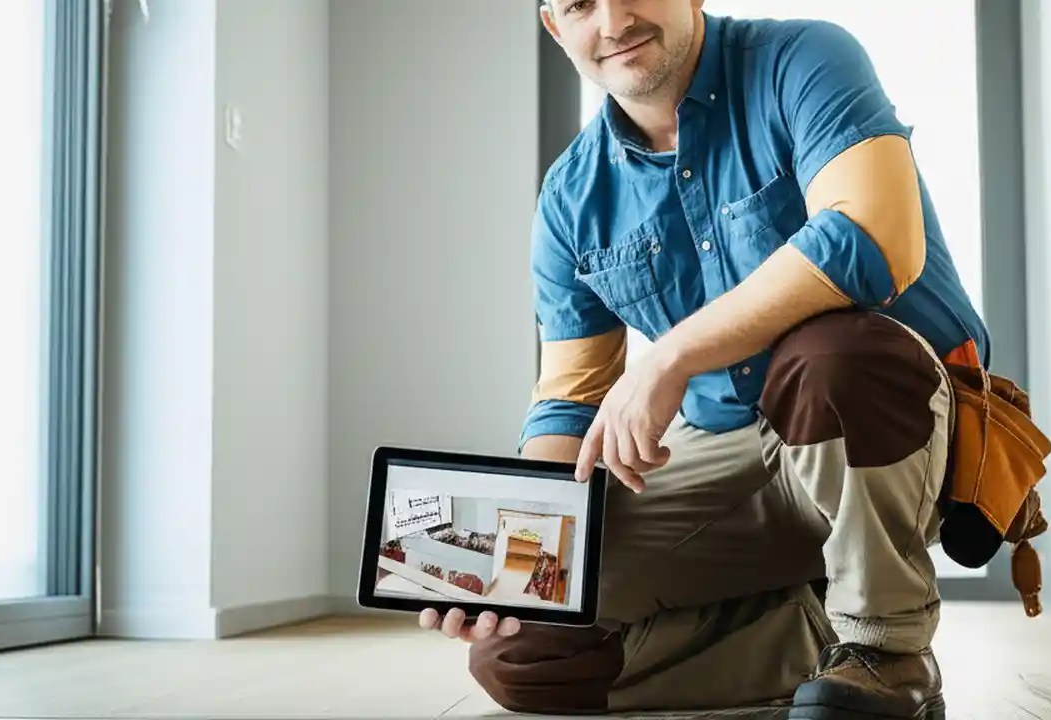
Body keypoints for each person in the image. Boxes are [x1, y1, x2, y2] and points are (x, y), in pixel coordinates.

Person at [421, 1, 989, 717]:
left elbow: (872, 240)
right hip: (723, 451)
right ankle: (818, 639)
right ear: (554, 27)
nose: (614, 19)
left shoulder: (804, 59)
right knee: (528, 653)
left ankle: (887, 651)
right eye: (579, 5)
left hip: (886, 432)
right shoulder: (570, 197)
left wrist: (672, 357)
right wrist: (515, 552)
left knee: (833, 353)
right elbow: (568, 401)